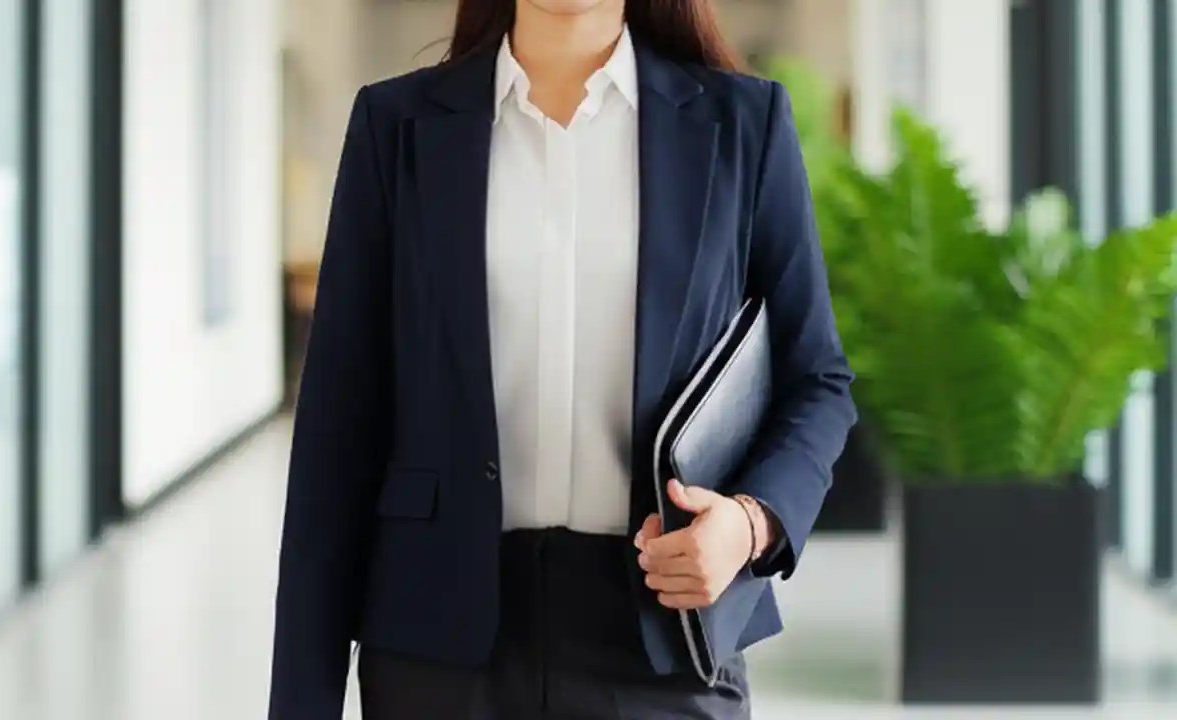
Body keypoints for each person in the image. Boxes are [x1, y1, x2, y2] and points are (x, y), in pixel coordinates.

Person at [268, 1, 856, 718]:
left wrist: (749, 523)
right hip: (438, 644)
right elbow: (338, 425)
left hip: (661, 636)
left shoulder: (742, 124)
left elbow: (816, 379)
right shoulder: (397, 127)